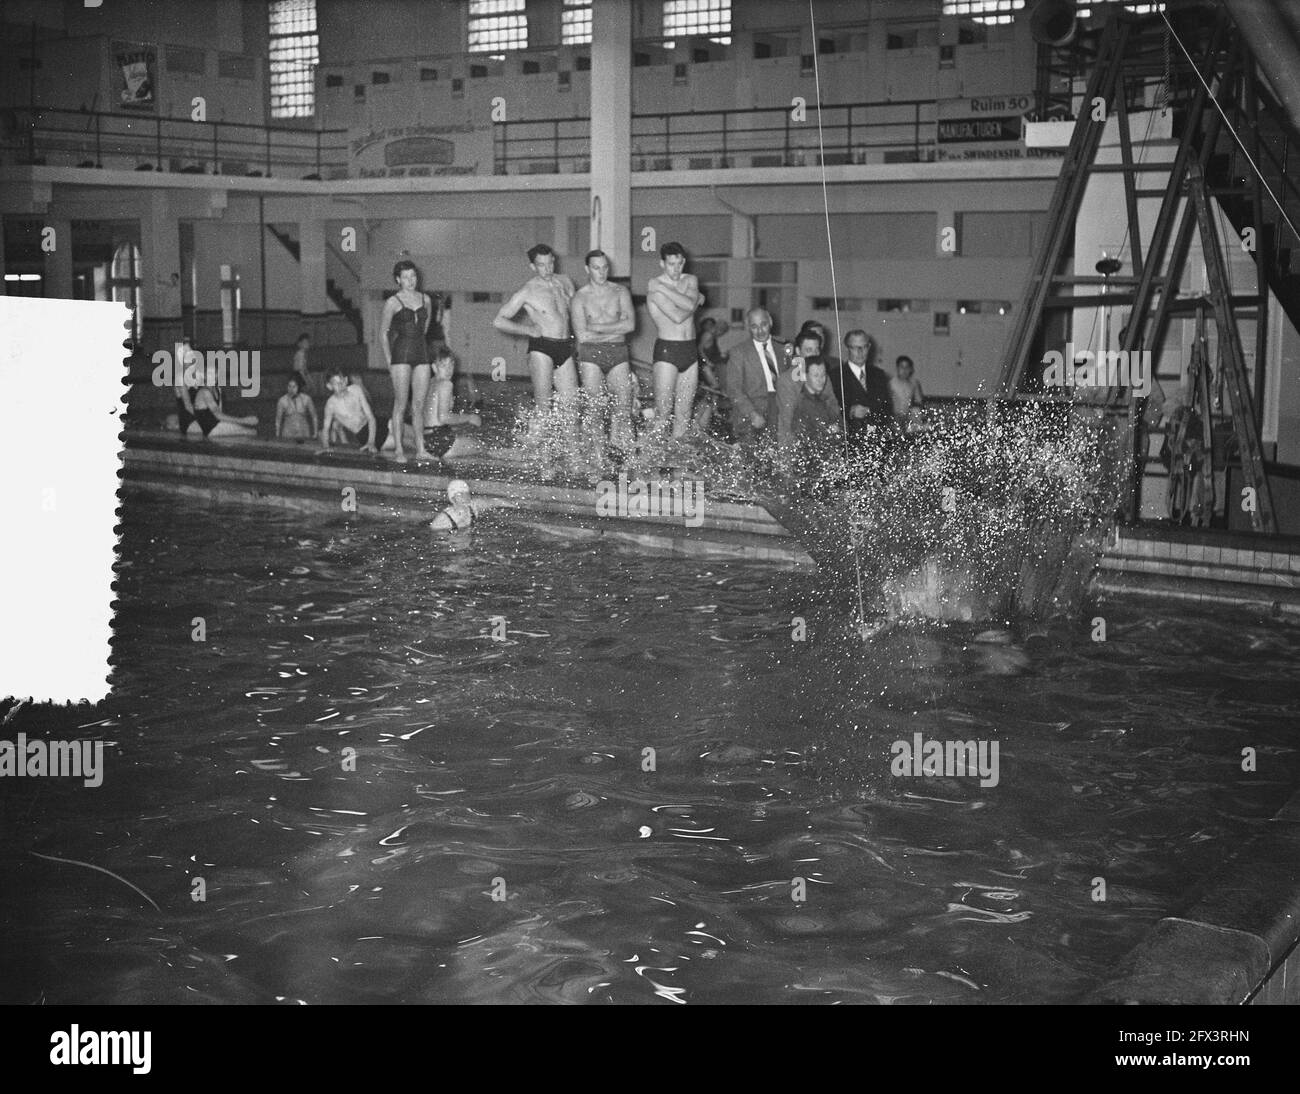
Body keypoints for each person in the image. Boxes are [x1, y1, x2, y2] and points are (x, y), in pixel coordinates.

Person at [492, 243, 577, 419]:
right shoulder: (528, 290)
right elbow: (499, 321)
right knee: (544, 407)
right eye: (541, 265)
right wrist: (528, 330)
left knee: (572, 407)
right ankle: (534, 443)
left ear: (554, 261)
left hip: (565, 346)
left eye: (550, 263)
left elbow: (575, 314)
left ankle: (572, 447)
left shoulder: (565, 281)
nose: (547, 269)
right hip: (542, 348)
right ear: (533, 266)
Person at [571, 249, 637, 452]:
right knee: (595, 409)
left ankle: (622, 455)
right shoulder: (579, 298)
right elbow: (583, 336)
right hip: (590, 355)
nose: (601, 272)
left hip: (618, 353)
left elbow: (630, 326)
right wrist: (616, 329)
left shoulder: (620, 292)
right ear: (587, 269)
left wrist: (597, 328)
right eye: (596, 268)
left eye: (605, 267)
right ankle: (598, 459)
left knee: (624, 408)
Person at [646, 241, 705, 438]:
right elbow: (678, 316)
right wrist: (695, 301)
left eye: (679, 264)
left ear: (684, 262)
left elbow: (687, 304)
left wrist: (662, 288)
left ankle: (677, 456)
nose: (676, 269)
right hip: (667, 351)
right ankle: (652, 461)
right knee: (663, 412)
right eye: (671, 264)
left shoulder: (689, 280)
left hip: (690, 350)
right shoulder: (653, 290)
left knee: (684, 413)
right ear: (662, 263)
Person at [379, 259, 434, 463]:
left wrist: (419, 342)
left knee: (419, 405)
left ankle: (421, 449)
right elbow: (383, 334)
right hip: (401, 354)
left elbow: (425, 327)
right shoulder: (393, 302)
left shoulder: (426, 299)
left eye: (413, 276)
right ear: (398, 280)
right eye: (406, 277)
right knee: (401, 404)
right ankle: (399, 449)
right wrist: (389, 361)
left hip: (421, 352)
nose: (410, 281)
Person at [725, 307, 789, 444]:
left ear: (770, 322)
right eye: (754, 326)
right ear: (748, 327)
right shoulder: (738, 352)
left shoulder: (785, 348)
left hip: (782, 407)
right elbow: (733, 389)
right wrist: (752, 413)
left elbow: (796, 381)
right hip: (753, 408)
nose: (760, 331)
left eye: (764, 324)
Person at [776, 329, 838, 452]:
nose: (814, 355)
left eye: (817, 350)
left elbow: (834, 410)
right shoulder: (788, 380)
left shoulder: (824, 377)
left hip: (824, 445)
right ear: (798, 351)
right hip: (799, 448)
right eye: (809, 350)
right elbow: (786, 423)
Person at [420, 347, 486, 460]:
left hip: (426, 440)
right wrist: (470, 417)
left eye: (451, 365)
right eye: (443, 366)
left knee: (464, 434)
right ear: (434, 367)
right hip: (441, 442)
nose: (448, 370)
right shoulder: (446, 384)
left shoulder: (429, 383)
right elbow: (444, 417)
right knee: (482, 446)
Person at [830, 330, 892, 437]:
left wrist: (868, 410)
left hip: (875, 439)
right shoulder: (835, 375)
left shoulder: (879, 375)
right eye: (855, 348)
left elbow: (887, 408)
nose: (860, 352)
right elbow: (830, 409)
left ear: (869, 347)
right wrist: (850, 411)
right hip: (848, 439)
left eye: (863, 347)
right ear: (847, 349)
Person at [320, 367, 389, 453]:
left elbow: (371, 417)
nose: (340, 385)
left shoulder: (356, 389)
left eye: (341, 381)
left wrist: (371, 442)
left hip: (376, 423)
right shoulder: (331, 405)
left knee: (402, 429)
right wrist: (325, 446)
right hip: (363, 433)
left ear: (345, 380)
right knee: (405, 442)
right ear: (329, 386)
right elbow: (326, 428)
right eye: (336, 383)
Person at [186, 362, 259, 439]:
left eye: (215, 373)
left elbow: (220, 414)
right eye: (209, 373)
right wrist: (245, 420)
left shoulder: (218, 389)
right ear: (203, 375)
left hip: (216, 426)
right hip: (212, 430)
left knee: (250, 431)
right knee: (250, 432)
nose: (213, 376)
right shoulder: (205, 392)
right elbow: (218, 415)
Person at [429, 478, 512, 532]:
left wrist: (515, 506)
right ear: (452, 498)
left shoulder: (473, 507)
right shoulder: (443, 520)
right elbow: (434, 535)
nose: (464, 497)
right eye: (459, 494)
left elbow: (495, 501)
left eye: (466, 493)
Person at [693, 316, 730, 436]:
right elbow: (699, 348)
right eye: (721, 331)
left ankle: (711, 411)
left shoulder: (712, 337)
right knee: (713, 388)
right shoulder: (708, 334)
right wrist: (706, 362)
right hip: (704, 367)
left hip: (706, 366)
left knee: (712, 391)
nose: (721, 333)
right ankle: (700, 418)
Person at [275, 372, 318, 441]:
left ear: (299, 387)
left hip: (303, 432)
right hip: (288, 433)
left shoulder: (306, 399)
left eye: (294, 387)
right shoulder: (282, 401)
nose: (291, 389)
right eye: (289, 386)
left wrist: (315, 433)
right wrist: (277, 435)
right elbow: (278, 419)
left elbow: (314, 416)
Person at [890, 355, 924, 429]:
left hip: (908, 417)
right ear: (897, 368)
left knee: (917, 412)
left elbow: (919, 401)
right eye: (901, 367)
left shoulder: (914, 383)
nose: (904, 370)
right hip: (894, 417)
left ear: (910, 369)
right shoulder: (891, 383)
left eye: (907, 367)